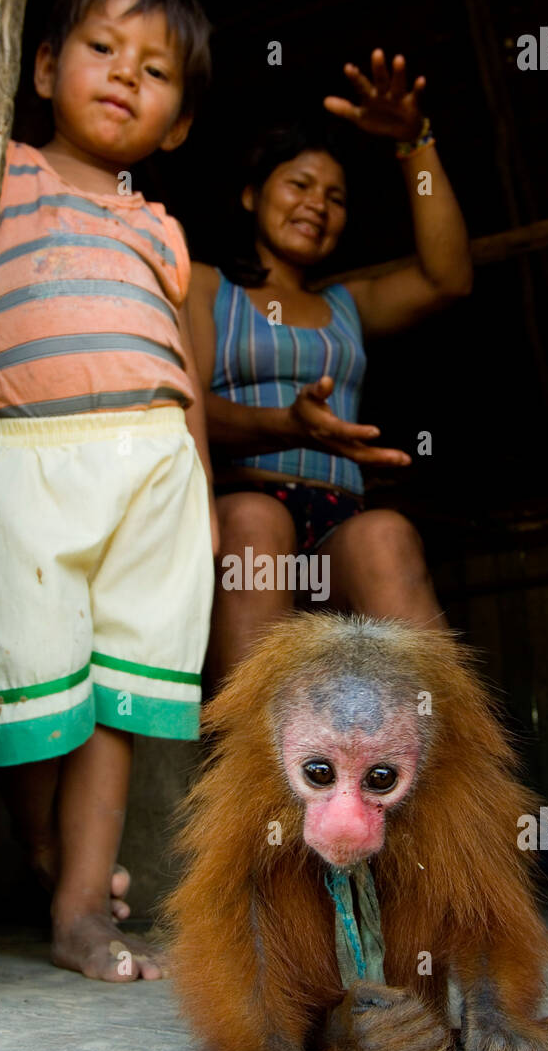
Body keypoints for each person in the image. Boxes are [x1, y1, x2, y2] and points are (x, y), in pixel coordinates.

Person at [0, 0, 216, 982]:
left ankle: (78, 914)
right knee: (33, 687)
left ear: (178, 123)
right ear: (44, 67)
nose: (123, 75)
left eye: (154, 70)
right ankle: (52, 858)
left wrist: (198, 496)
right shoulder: (0, 172)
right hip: (26, 460)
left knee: (115, 703)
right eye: (102, 50)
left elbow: (186, 376)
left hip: (151, 473)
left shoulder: (161, 229)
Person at [186, 53, 472, 680]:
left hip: (336, 523)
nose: (318, 204)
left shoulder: (347, 304)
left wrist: (414, 145)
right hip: (242, 515)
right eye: (299, 184)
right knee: (259, 524)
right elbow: (188, 411)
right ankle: (252, 769)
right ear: (251, 193)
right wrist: (286, 425)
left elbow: (447, 277)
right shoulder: (207, 288)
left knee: (387, 533)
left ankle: (445, 766)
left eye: (336, 197)